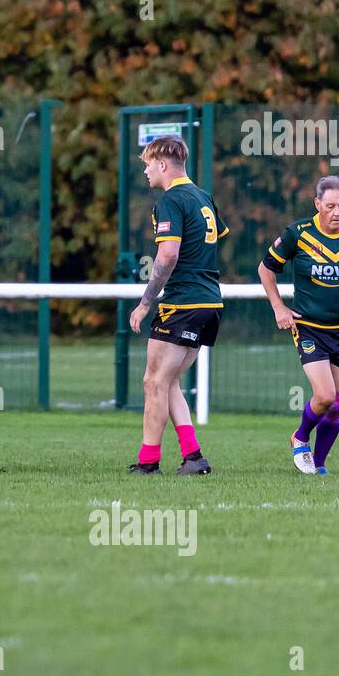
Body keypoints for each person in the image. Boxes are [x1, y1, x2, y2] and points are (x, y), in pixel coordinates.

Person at [258, 175, 339, 474]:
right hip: (309, 327)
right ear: (317, 204)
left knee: (337, 405)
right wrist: (278, 308)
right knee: (325, 396)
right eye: (331, 206)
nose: (337, 212)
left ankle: (319, 464)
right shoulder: (299, 232)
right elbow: (265, 269)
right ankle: (299, 437)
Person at [126, 135, 227, 475]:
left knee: (153, 381)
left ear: (163, 165)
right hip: (210, 302)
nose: (145, 171)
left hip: (183, 303)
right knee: (168, 382)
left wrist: (145, 302)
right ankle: (193, 456)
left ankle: (148, 461)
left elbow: (168, 255)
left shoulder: (171, 200)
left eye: (147, 164)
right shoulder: (203, 196)